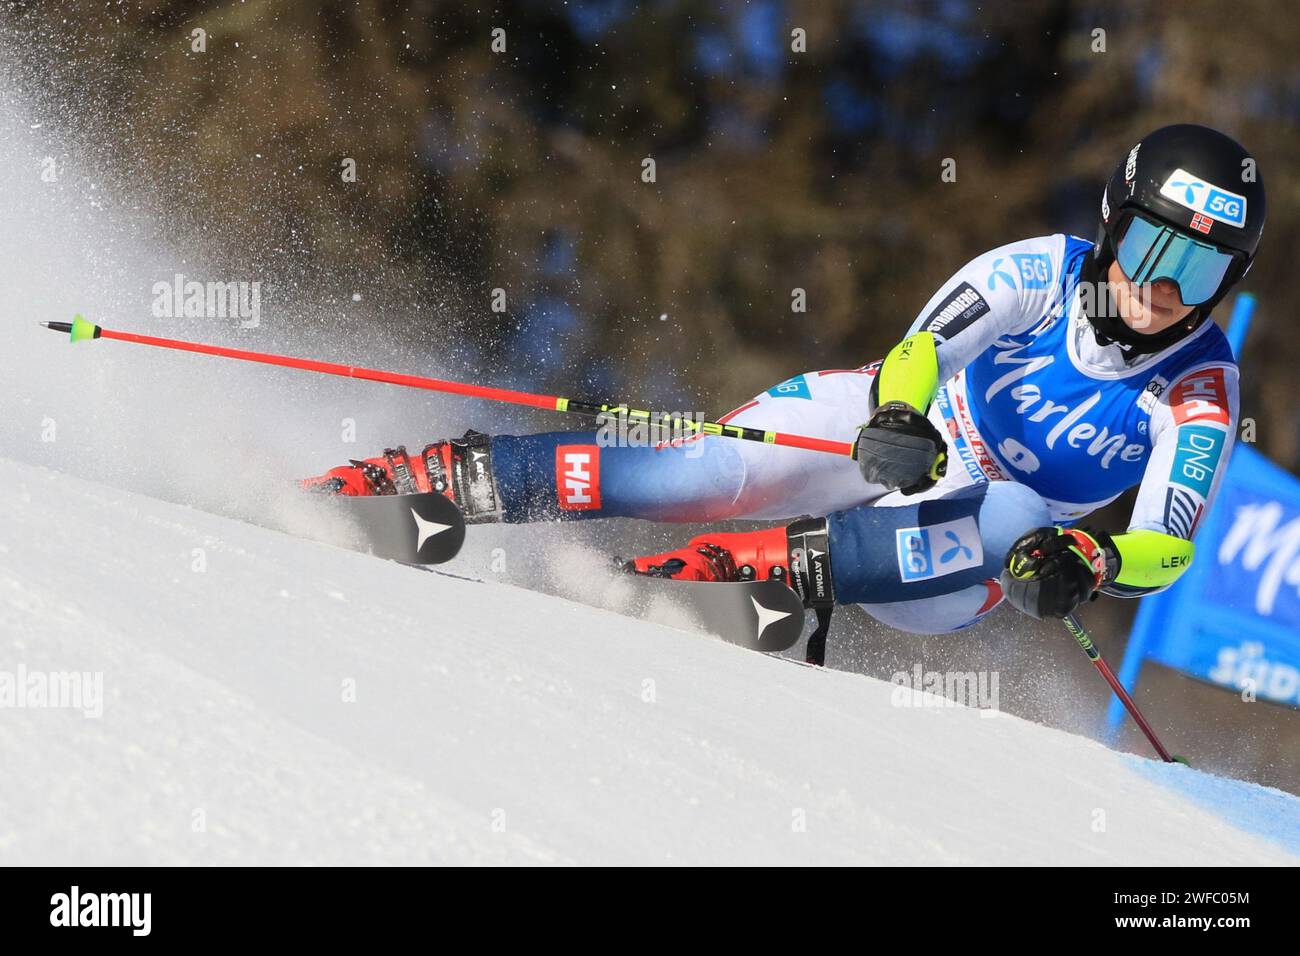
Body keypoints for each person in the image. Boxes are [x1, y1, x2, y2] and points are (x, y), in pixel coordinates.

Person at [302, 124, 1264, 635]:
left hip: (963, 563)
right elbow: (925, 344)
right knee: (700, 476)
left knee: (1016, 518)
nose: (1161, 285)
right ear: (1113, 224)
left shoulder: (1200, 388)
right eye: (1149, 244)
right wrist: (897, 408)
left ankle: (742, 576)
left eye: (1201, 269)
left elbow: (1168, 546)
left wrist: (1089, 562)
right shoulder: (1041, 271)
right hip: (908, 437)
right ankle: (453, 479)